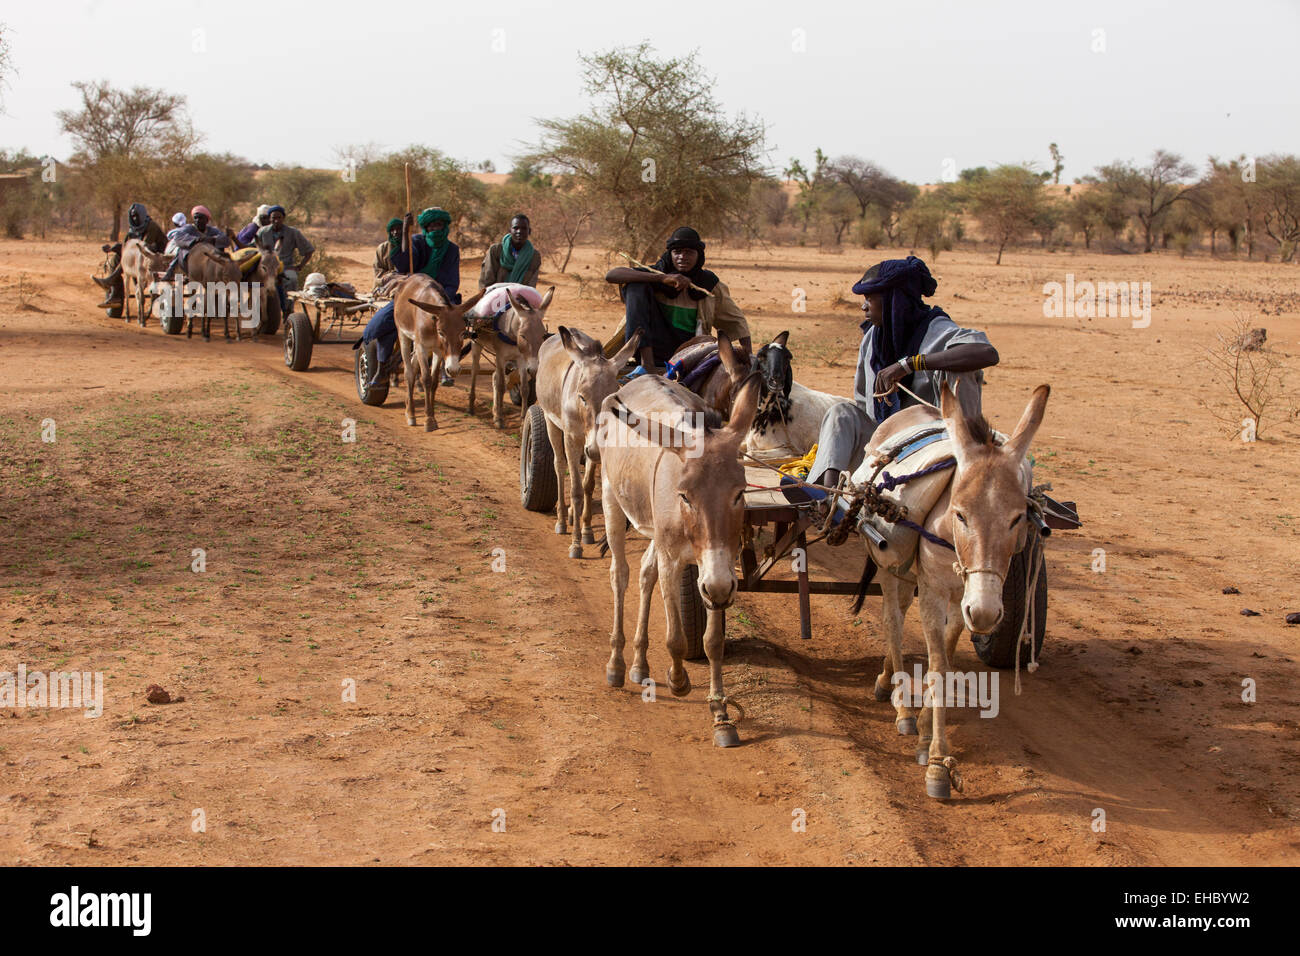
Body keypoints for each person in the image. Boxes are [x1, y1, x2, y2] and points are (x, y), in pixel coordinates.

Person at [806, 255, 1000, 495]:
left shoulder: (939, 332)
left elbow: (986, 353)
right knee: (841, 413)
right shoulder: (872, 340)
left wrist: (910, 364)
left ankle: (969, 466)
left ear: (893, 300)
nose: (863, 306)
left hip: (934, 450)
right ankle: (827, 495)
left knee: (961, 367)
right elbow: (863, 404)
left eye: (869, 298)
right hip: (882, 449)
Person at [604, 226, 752, 377]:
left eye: (689, 252)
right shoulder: (657, 275)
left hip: (689, 353)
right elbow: (612, 275)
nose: (682, 256)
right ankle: (647, 365)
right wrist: (662, 278)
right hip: (653, 350)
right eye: (677, 252)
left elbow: (736, 322)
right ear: (669, 254)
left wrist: (749, 360)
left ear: (699, 255)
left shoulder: (709, 285)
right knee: (636, 285)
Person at [360, 207, 462, 388]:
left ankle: (445, 370)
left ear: (445, 226)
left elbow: (452, 281)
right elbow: (402, 264)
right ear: (425, 228)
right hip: (413, 297)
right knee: (387, 323)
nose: (435, 230)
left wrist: (440, 302)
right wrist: (406, 231)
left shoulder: (452, 250)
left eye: (439, 225)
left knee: (454, 328)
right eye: (431, 226)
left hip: (442, 299)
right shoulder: (416, 241)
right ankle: (382, 368)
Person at [256, 205, 315, 312]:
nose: (276, 220)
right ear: (270, 218)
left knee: (291, 279)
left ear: (283, 218)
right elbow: (253, 248)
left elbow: (309, 250)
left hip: (286, 266)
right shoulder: (262, 232)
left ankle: (288, 310)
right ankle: (260, 310)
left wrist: (300, 266)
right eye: (273, 218)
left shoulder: (293, 232)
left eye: (279, 217)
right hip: (266, 267)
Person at [161, 205, 230, 281]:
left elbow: (225, 240)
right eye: (195, 218)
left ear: (207, 220)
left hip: (211, 264)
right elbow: (178, 237)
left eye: (200, 218)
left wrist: (213, 239)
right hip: (191, 265)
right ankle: (171, 272)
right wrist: (197, 240)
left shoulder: (213, 230)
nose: (197, 220)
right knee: (181, 250)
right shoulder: (188, 228)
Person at [479, 214, 539, 288]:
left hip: (521, 296)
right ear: (510, 230)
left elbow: (531, 285)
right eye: (515, 228)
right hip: (494, 295)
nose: (519, 231)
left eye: (524, 228)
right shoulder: (496, 251)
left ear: (529, 231)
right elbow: (487, 280)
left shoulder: (534, 256)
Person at [373, 216, 405, 280]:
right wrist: (392, 275)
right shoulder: (382, 248)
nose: (395, 232)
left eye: (398, 229)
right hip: (387, 282)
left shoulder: (410, 246)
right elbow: (378, 270)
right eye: (392, 230)